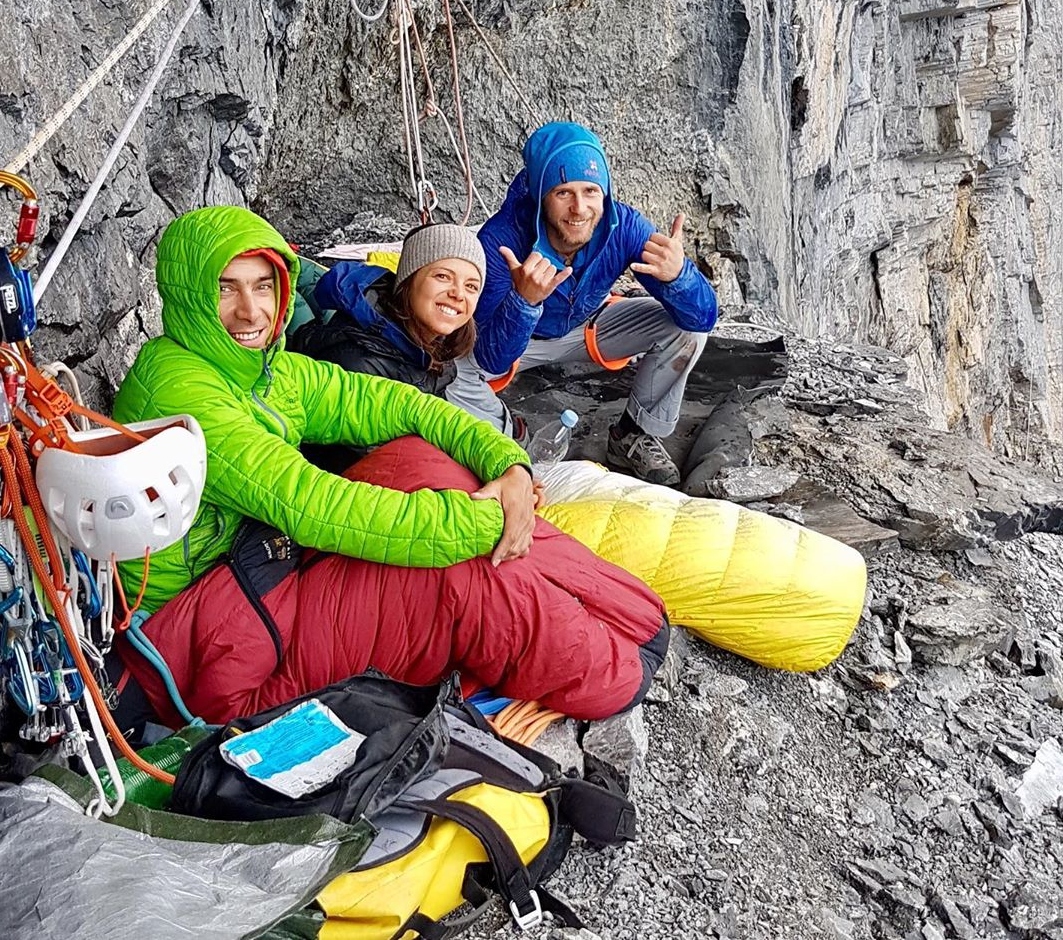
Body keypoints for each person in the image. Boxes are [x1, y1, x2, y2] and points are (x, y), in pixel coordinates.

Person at [109, 205, 668, 726]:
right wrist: (483, 523)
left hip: (263, 564)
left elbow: (398, 405)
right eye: (225, 289)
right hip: (209, 638)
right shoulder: (183, 392)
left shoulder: (265, 370)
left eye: (262, 286)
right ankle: (611, 672)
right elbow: (310, 505)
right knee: (453, 572)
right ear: (188, 296)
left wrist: (509, 465)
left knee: (422, 458)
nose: (251, 311)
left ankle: (629, 617)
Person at [446, 121, 719, 487]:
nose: (579, 209)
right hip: (516, 342)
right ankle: (510, 441)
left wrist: (679, 276)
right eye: (563, 193)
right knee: (449, 375)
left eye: (591, 191)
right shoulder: (501, 241)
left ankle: (633, 435)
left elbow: (702, 318)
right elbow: (490, 358)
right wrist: (524, 302)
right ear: (541, 194)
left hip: (587, 328)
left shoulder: (622, 226)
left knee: (685, 330)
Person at [289, 223, 526, 472]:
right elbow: (385, 464)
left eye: (471, 286)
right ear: (408, 280)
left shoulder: (431, 342)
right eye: (442, 276)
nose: (458, 294)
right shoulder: (358, 364)